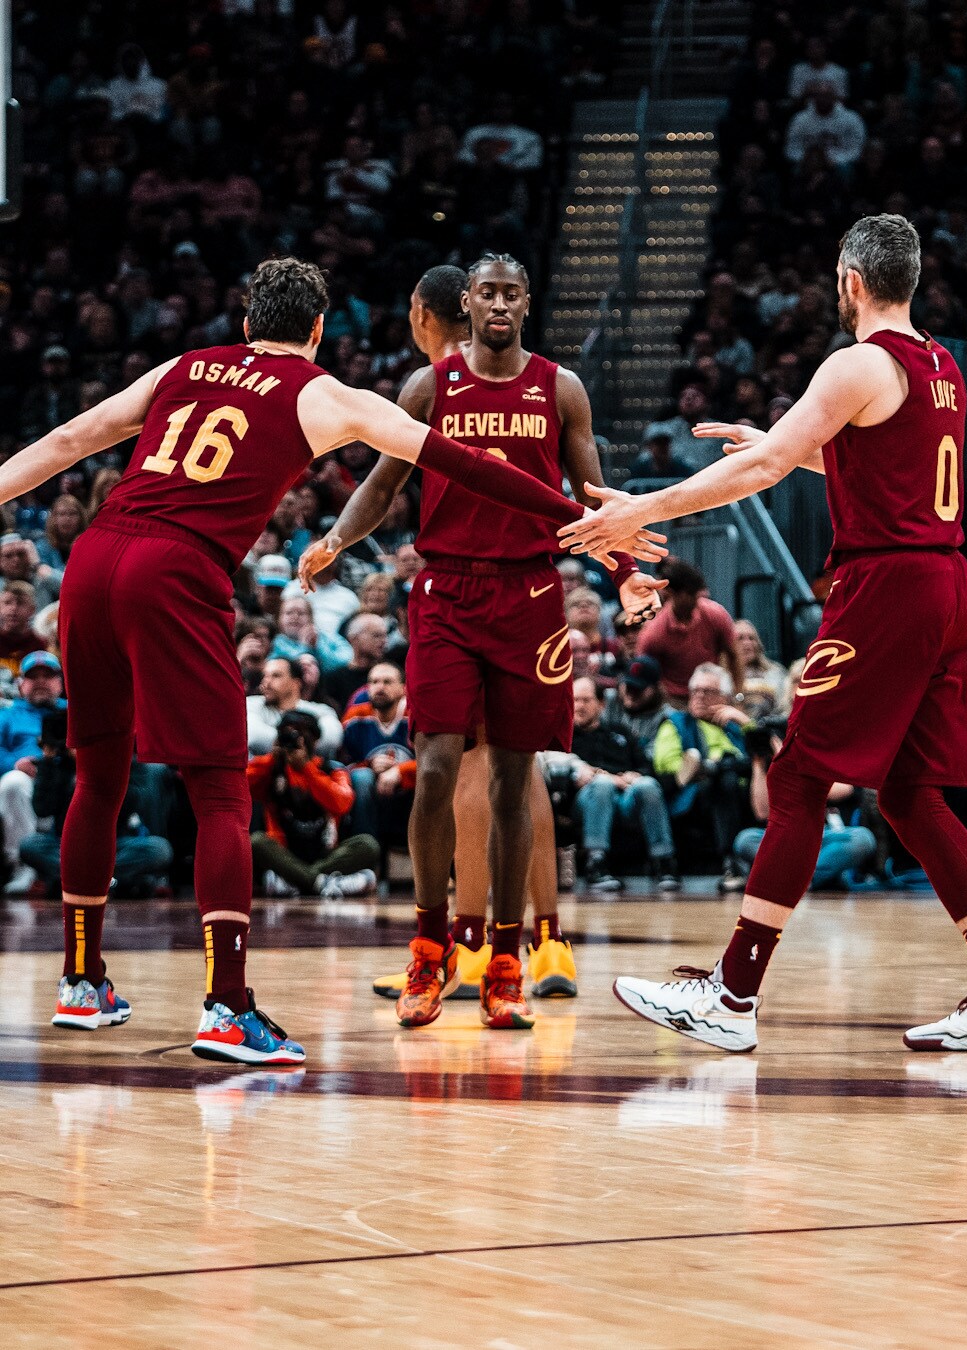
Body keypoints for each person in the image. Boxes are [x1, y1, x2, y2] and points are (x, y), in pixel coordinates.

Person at [0, 256, 647, 1062]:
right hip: (178, 566)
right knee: (219, 792)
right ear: (315, 331)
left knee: (99, 776)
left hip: (96, 559)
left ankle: (81, 983)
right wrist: (604, 533)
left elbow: (68, 439)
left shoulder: (184, 366)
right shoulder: (327, 394)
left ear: (243, 324)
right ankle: (228, 1007)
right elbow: (464, 465)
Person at [565, 213, 967, 1052]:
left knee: (798, 778)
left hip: (888, 587)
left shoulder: (856, 362)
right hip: (944, 584)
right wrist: (784, 443)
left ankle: (732, 995)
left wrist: (640, 511)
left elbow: (759, 471)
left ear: (851, 282)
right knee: (907, 795)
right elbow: (869, 462)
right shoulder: (941, 366)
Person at [300, 256, 666, 1028]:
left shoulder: (561, 388)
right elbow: (382, 483)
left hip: (530, 596)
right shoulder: (430, 387)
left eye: (511, 292)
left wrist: (626, 571)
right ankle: (430, 950)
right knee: (433, 770)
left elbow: (593, 499)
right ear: (467, 303)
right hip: (446, 592)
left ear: (526, 304)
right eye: (486, 292)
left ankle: (506, 958)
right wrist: (335, 538)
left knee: (510, 782)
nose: (498, 303)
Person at [22, 710, 173, 898]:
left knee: (159, 849)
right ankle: (108, 880)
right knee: (30, 845)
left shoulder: (115, 761)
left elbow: (134, 802)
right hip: (68, 844)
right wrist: (48, 763)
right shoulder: (57, 766)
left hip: (115, 843)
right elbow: (42, 809)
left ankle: (82, 879)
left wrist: (95, 767)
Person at [732, 719, 876, 891]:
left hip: (824, 837)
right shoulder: (766, 767)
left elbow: (839, 790)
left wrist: (786, 759)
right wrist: (757, 762)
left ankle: (802, 878)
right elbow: (763, 812)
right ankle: (809, 878)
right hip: (785, 839)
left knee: (862, 838)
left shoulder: (822, 757)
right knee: (745, 839)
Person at [248, 710, 378, 899]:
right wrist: (272, 758)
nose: (294, 740)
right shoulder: (272, 770)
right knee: (256, 842)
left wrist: (306, 768)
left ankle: (299, 882)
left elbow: (342, 803)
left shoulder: (330, 769)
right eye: (286, 734)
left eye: (299, 734)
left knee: (368, 845)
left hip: (327, 854)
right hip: (285, 854)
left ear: (314, 740)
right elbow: (242, 784)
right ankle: (323, 884)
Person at [571, 675, 679, 891]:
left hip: (624, 799)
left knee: (647, 784)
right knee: (601, 784)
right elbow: (566, 773)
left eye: (585, 700)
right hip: (586, 801)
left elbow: (645, 767)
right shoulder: (566, 737)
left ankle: (664, 861)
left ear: (601, 704)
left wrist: (634, 775)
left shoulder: (620, 733)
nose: (578, 706)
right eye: (574, 700)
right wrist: (609, 778)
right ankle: (596, 863)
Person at [652, 662, 751, 884]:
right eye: (695, 690)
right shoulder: (676, 724)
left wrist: (743, 720)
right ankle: (730, 862)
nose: (699, 696)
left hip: (746, 791)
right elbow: (671, 769)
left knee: (729, 773)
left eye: (708, 691)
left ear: (724, 697)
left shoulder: (733, 726)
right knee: (724, 779)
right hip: (694, 794)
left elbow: (767, 751)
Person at [0, 652, 68, 894]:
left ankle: (86, 869)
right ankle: (25, 868)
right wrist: (14, 763)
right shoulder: (6, 716)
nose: (40, 681)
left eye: (47, 676)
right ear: (20, 685)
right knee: (12, 782)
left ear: (61, 682)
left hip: (68, 783)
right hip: (27, 786)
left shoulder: (77, 712)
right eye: (33, 676)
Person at [636, 559, 742, 706]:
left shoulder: (715, 614)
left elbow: (735, 656)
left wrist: (738, 696)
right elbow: (643, 673)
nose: (697, 598)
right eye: (691, 594)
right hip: (673, 701)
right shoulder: (653, 632)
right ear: (671, 593)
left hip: (712, 695)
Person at [340, 661, 415, 850]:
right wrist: (368, 765)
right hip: (373, 792)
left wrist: (400, 771)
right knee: (361, 778)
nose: (379, 687)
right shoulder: (355, 718)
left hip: (413, 789)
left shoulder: (415, 716)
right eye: (374, 682)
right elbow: (340, 766)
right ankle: (365, 851)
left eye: (387, 682)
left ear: (403, 689)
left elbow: (437, 762)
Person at [247, 656, 343, 760]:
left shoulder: (321, 711)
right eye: (264, 676)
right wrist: (301, 745)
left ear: (296, 683)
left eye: (276, 676)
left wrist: (286, 744)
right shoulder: (250, 704)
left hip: (307, 773)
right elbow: (254, 737)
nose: (266, 682)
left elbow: (332, 740)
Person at [323, 612, 388, 711]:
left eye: (384, 636)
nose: (383, 641)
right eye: (376, 636)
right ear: (354, 638)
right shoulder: (334, 680)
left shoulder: (390, 674)